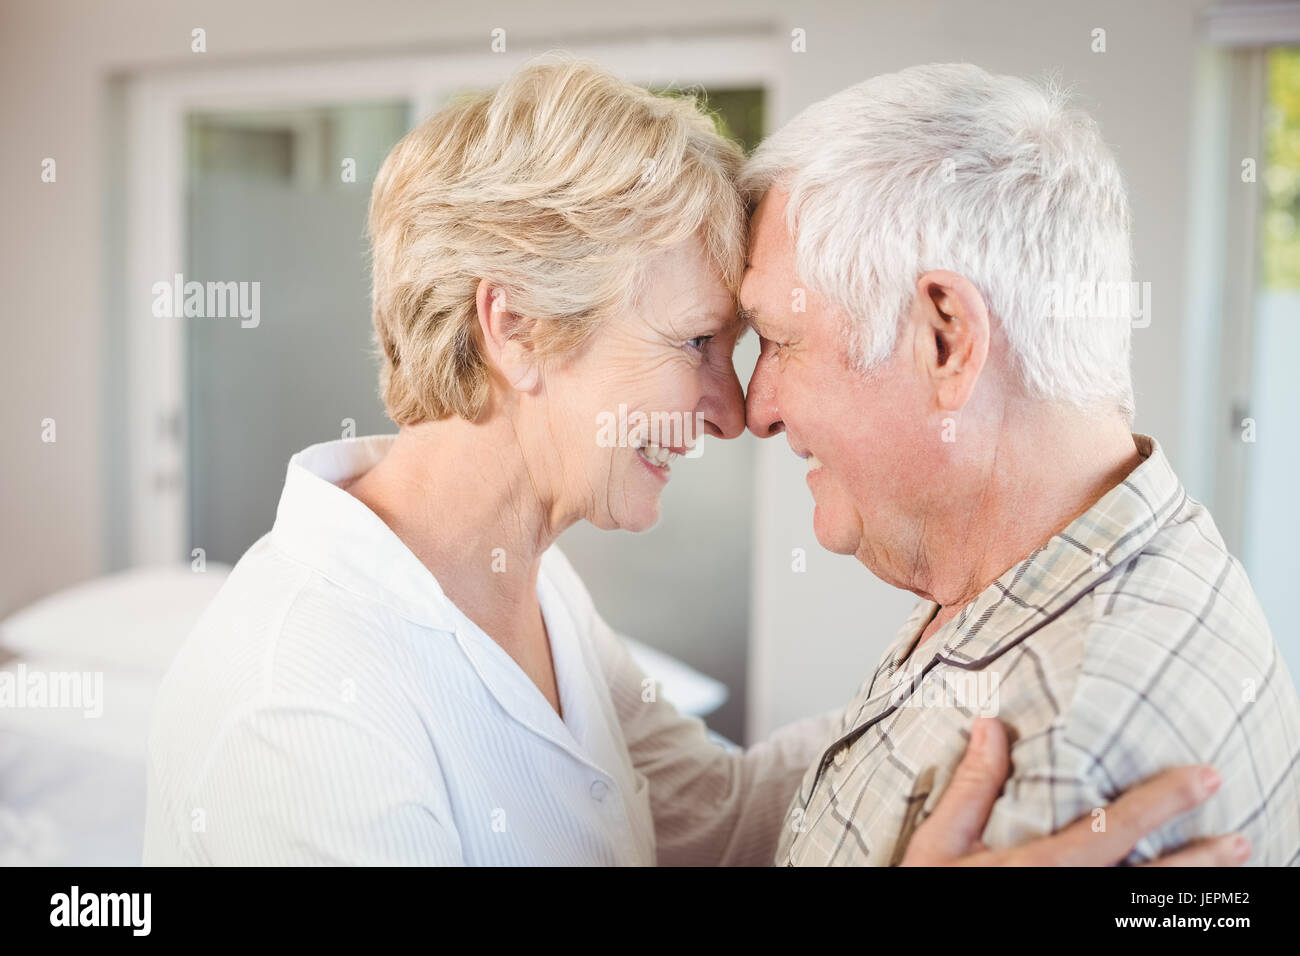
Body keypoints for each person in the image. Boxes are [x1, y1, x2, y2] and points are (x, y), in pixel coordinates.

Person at [144, 58, 1245, 866]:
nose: (731, 409)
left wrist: (967, 675)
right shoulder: (304, 709)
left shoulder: (522, 580)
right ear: (516, 326)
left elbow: (713, 814)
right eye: (693, 345)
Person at [737, 62, 1300, 866]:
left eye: (780, 341)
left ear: (946, 338)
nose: (757, 410)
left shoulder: (1070, 754)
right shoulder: (1032, 577)